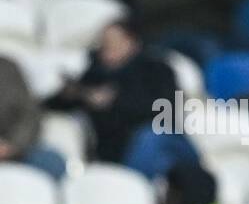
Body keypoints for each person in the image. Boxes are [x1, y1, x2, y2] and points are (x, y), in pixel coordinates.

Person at [45, 19, 178, 167]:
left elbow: (165, 113)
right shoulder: (94, 74)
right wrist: (72, 94)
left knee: (150, 137)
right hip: (113, 151)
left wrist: (115, 101)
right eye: (104, 42)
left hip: (162, 142)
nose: (106, 47)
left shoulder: (157, 69)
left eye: (113, 42)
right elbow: (55, 104)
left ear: (131, 42)